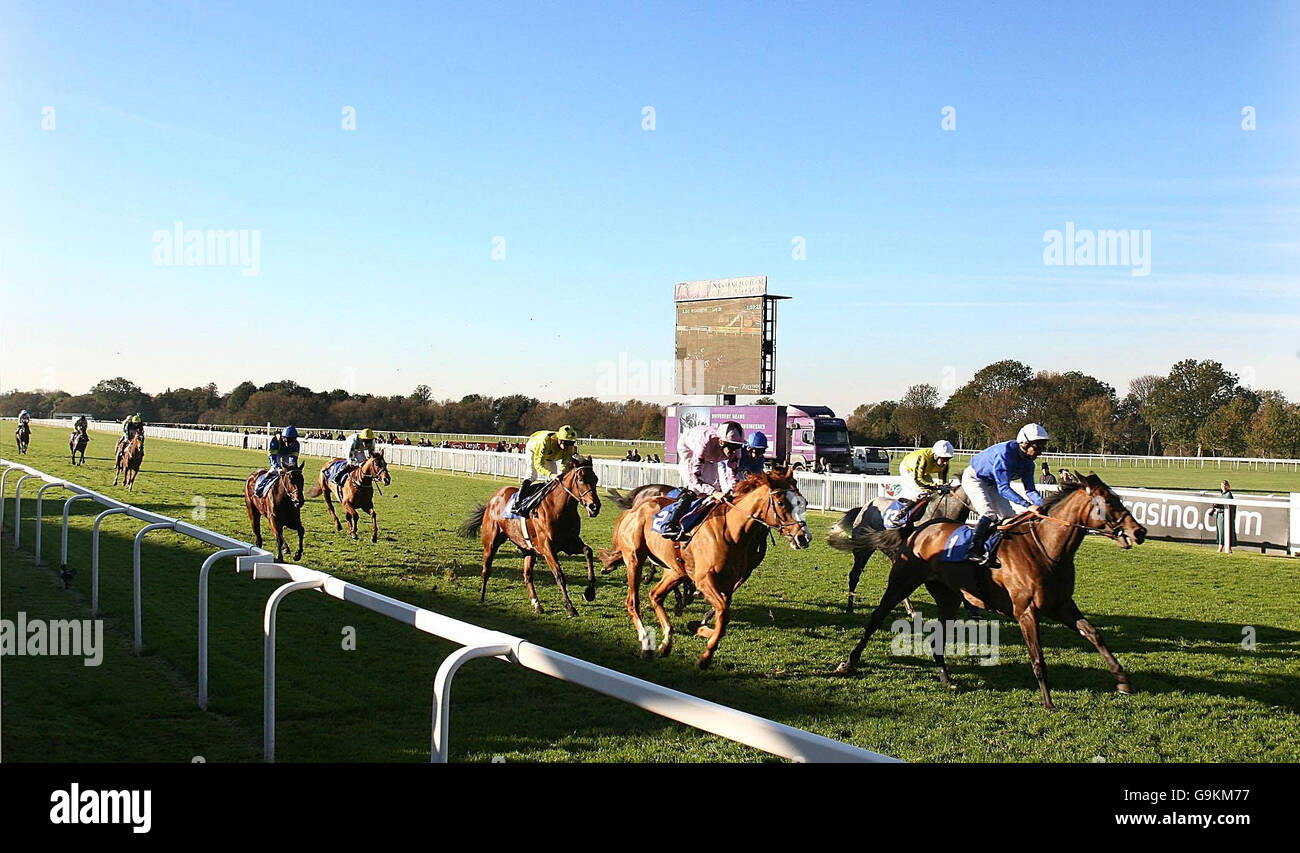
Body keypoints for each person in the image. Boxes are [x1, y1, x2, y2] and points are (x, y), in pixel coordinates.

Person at [961, 423, 1049, 567]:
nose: (1040, 452)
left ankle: (994, 551)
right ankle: (972, 550)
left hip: (993, 482)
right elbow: (1003, 488)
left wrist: (1041, 505)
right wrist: (1028, 505)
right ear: (1025, 443)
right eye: (1038, 447)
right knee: (989, 513)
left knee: (1008, 517)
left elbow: (1030, 490)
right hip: (975, 478)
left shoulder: (1029, 464)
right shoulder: (1005, 455)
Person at [659, 421, 743, 539]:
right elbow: (695, 478)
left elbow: (733, 477)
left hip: (711, 456)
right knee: (695, 488)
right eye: (731, 446)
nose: (733, 451)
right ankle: (670, 524)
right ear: (721, 441)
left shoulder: (736, 451)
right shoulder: (704, 444)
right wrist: (714, 492)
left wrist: (732, 491)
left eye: (737, 446)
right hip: (689, 449)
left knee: (717, 487)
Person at [516, 425, 579, 511]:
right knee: (532, 475)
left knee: (555, 481)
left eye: (571, 443)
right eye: (567, 443)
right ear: (559, 440)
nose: (569, 446)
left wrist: (561, 472)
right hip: (534, 449)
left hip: (551, 456)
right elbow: (539, 465)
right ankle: (518, 503)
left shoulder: (569, 448)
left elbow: (564, 463)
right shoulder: (544, 442)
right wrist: (550, 474)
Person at [334, 428, 377, 494]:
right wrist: (357, 464)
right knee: (351, 464)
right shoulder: (353, 441)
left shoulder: (372, 442)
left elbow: (371, 455)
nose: (367, 443)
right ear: (361, 439)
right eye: (365, 440)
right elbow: (351, 457)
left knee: (364, 464)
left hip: (360, 450)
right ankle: (338, 476)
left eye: (369, 441)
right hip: (349, 447)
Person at [1210, 480, 1235, 554]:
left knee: (1224, 531)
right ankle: (1225, 548)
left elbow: (1228, 504)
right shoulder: (1223, 494)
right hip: (1220, 515)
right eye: (1222, 486)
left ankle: (1222, 547)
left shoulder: (1228, 495)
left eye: (1224, 485)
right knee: (1221, 531)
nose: (1223, 487)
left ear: (1228, 486)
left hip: (1224, 516)